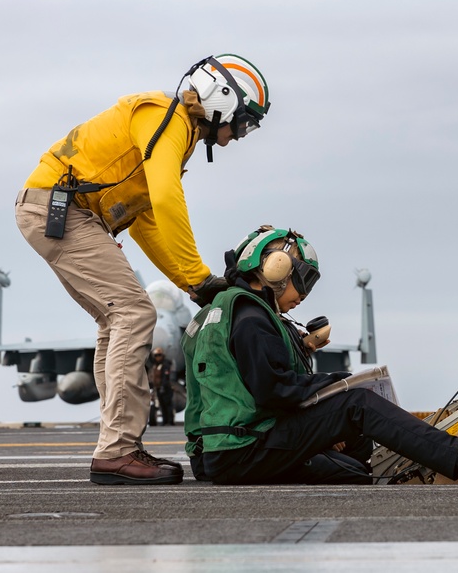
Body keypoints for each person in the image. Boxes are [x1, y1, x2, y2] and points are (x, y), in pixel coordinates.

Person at [15, 54, 271, 485]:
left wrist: (194, 282)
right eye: (242, 123)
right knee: (135, 314)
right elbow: (169, 201)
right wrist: (201, 277)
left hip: (61, 211)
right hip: (60, 210)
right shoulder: (165, 120)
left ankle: (116, 446)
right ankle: (117, 451)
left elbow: (148, 223)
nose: (239, 135)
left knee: (112, 320)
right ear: (221, 101)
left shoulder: (174, 133)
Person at [182, 226, 458, 485]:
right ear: (275, 267)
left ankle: (439, 455)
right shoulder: (252, 318)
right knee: (358, 404)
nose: (305, 292)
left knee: (354, 466)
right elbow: (274, 391)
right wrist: (336, 386)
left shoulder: (220, 313)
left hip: (222, 453)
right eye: (303, 278)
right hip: (243, 451)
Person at [148, 348, 175, 426]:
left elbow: (166, 377)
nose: (158, 357)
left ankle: (170, 421)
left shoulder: (165, 365)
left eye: (159, 355)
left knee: (168, 404)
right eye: (156, 355)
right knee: (162, 405)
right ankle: (165, 421)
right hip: (158, 388)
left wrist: (164, 386)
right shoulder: (155, 366)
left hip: (166, 388)